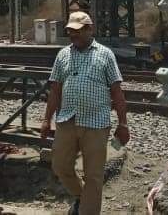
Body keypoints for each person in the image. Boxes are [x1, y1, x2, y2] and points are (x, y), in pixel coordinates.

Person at [40, 12, 128, 215]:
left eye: (78, 31)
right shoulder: (63, 54)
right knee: (60, 166)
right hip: (67, 120)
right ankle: (81, 196)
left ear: (90, 29)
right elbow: (55, 90)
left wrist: (123, 124)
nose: (73, 35)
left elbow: (117, 91)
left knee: (94, 176)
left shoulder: (105, 54)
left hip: (96, 123)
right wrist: (46, 119)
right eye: (70, 31)